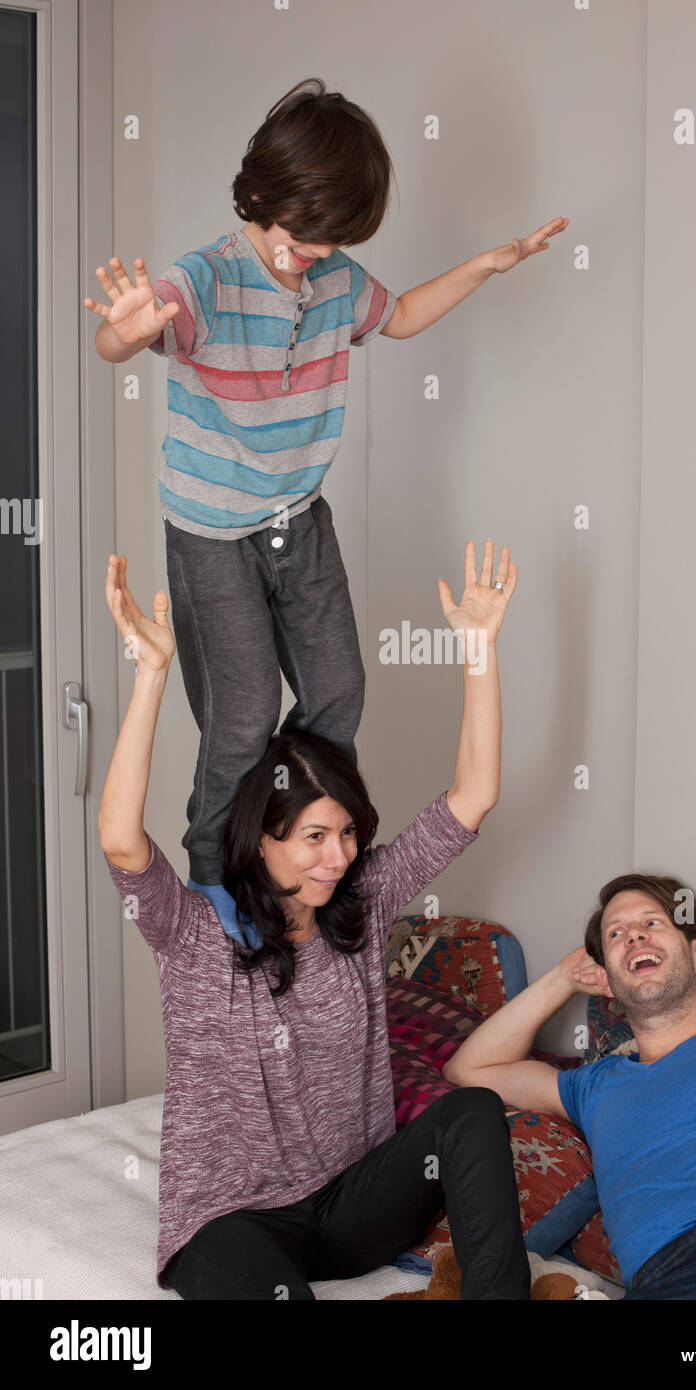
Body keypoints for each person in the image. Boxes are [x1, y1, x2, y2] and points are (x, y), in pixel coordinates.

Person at [84, 75, 568, 938]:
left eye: (336, 237)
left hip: (297, 518)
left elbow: (407, 312)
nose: (316, 252)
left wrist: (487, 266)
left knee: (339, 692)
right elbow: (130, 336)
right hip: (211, 531)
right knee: (241, 716)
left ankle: (300, 852)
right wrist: (122, 327)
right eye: (305, 234)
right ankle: (214, 880)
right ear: (263, 194)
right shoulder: (206, 279)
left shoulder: (338, 278)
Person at [98, 536, 531, 1300]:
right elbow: (120, 841)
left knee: (471, 1112)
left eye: (348, 834)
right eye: (313, 838)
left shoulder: (359, 906)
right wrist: (151, 676)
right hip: (231, 1221)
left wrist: (479, 649)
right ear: (261, 840)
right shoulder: (192, 934)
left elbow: (472, 798)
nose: (338, 857)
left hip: (348, 1207)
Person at [443, 872, 696, 1300]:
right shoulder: (593, 1085)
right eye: (616, 933)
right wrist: (562, 978)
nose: (635, 937)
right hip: (667, 1281)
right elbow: (470, 1069)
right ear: (605, 980)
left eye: (653, 923)